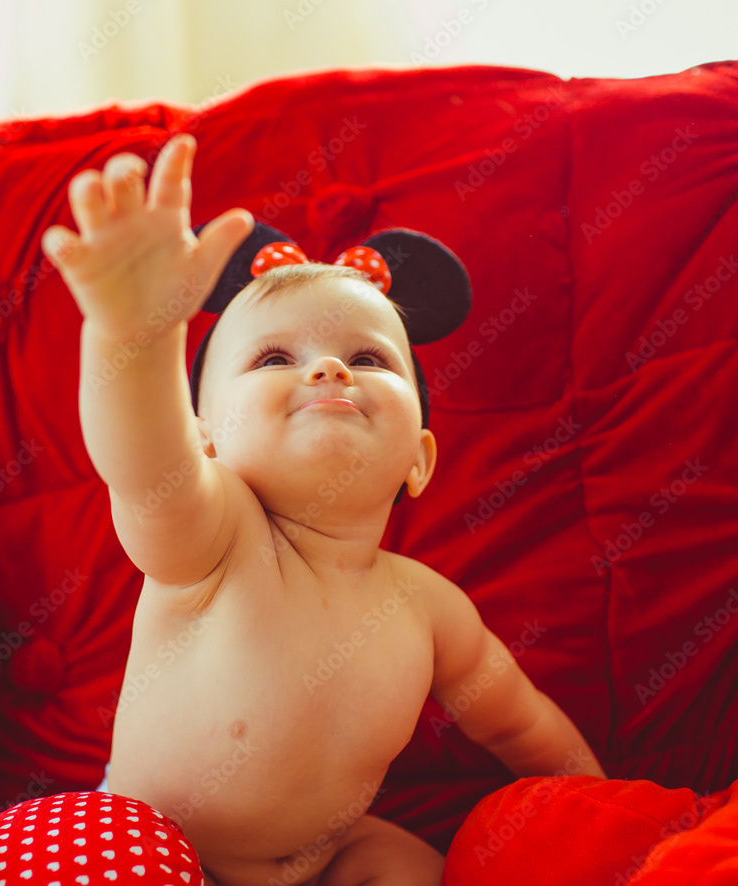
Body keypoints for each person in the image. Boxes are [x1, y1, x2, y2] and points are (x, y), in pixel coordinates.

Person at [42, 134, 605, 886]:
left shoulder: (429, 609)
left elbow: (520, 722)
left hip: (322, 858)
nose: (329, 367)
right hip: (164, 855)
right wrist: (136, 334)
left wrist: (603, 806)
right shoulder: (214, 538)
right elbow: (139, 454)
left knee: (408, 864)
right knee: (117, 862)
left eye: (370, 359)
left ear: (419, 460)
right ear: (202, 438)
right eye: (274, 358)